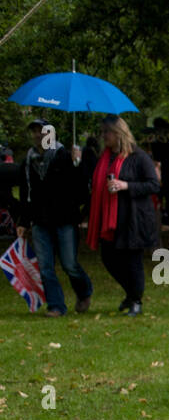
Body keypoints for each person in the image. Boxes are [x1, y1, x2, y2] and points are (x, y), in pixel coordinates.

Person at [15, 119, 93, 317]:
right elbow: (26, 194)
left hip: (64, 219)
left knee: (69, 264)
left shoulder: (64, 156)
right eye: (34, 132)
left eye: (41, 131)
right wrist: (23, 221)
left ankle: (84, 291)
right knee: (45, 266)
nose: (37, 135)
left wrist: (78, 164)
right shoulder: (29, 162)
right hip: (40, 221)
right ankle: (56, 305)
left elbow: (81, 191)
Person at [86, 115, 159, 317]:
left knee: (132, 261)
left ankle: (136, 300)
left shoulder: (138, 156)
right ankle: (130, 293)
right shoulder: (105, 157)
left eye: (106, 132)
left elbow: (154, 184)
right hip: (110, 218)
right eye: (102, 132)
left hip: (133, 218)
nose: (103, 136)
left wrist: (126, 185)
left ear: (118, 133)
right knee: (109, 258)